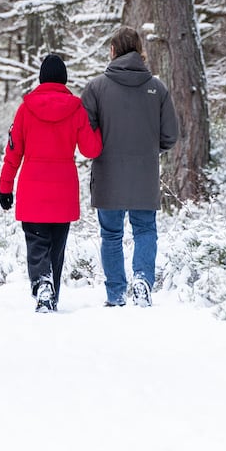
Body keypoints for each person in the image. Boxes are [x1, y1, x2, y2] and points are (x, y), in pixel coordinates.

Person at [82, 27, 179, 307]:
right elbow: (170, 135)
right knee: (145, 229)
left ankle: (115, 293)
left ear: (113, 50)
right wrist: (148, 151)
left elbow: (85, 133)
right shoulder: (157, 88)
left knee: (111, 234)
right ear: (139, 50)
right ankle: (142, 281)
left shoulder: (96, 88)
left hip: (108, 174)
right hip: (144, 173)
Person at [0, 54, 102, 313]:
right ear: (64, 79)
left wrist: (5, 187)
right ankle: (51, 295)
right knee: (56, 247)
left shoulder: (26, 109)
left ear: (41, 79)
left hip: (32, 188)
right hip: (63, 189)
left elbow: (13, 153)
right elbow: (91, 149)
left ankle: (42, 284)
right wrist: (98, 126)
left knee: (36, 244)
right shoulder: (76, 109)